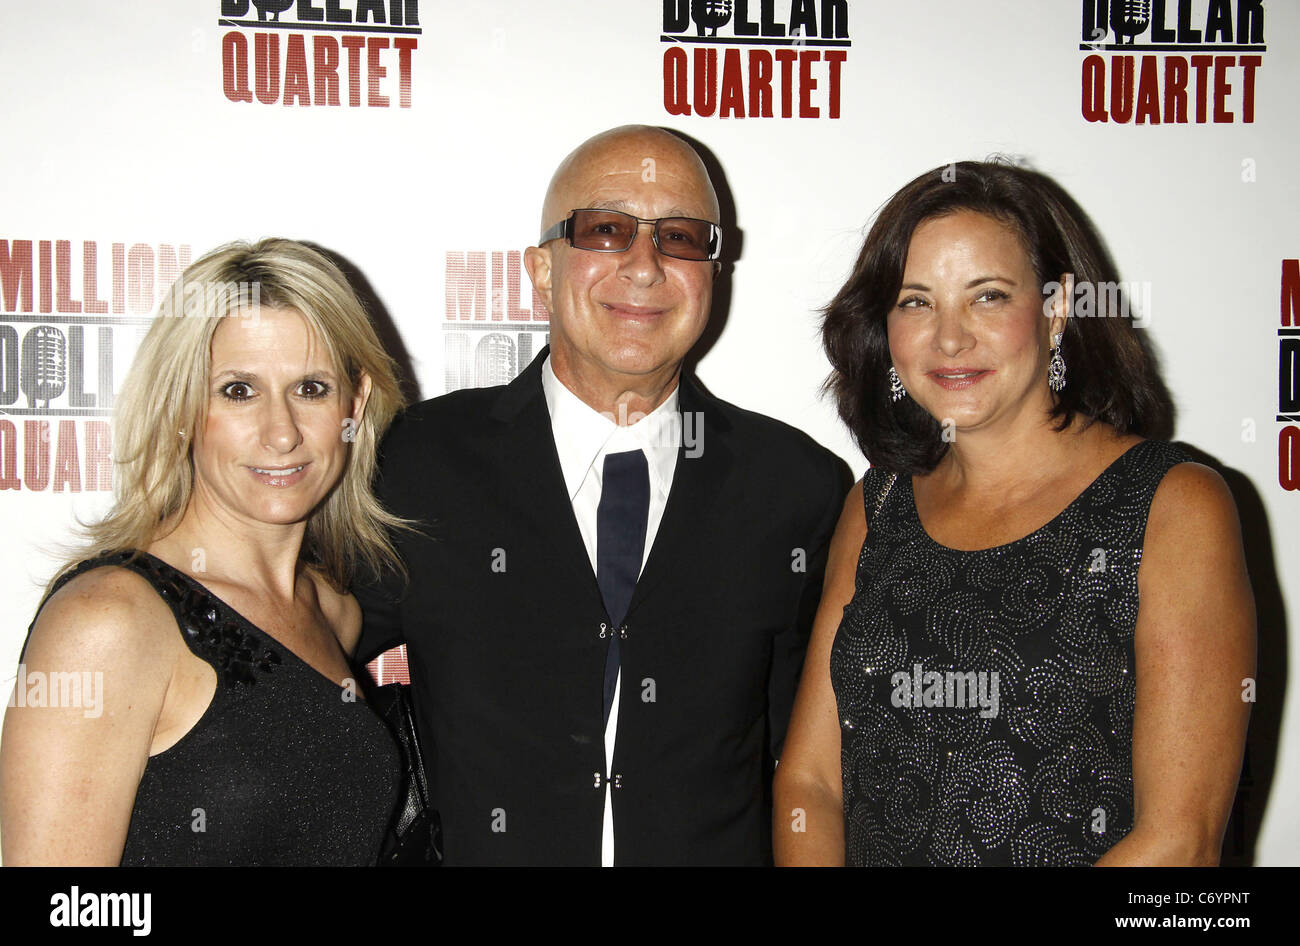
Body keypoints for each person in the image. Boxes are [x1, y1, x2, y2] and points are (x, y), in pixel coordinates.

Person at [353, 125, 846, 865]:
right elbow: (297, 650)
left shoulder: (795, 488)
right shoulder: (419, 461)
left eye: (680, 237)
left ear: (714, 273)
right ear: (541, 271)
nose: (644, 266)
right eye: (606, 231)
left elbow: (818, 769)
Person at [774, 160, 1255, 866]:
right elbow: (811, 782)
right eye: (915, 302)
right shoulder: (878, 502)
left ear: (1057, 309)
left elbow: (1179, 842)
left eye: (988, 296)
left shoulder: (1173, 505)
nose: (950, 338)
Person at [0, 238, 408, 865]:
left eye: (311, 388)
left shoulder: (329, 611)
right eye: (239, 391)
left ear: (354, 403)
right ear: (183, 408)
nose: (282, 433)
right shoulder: (108, 621)